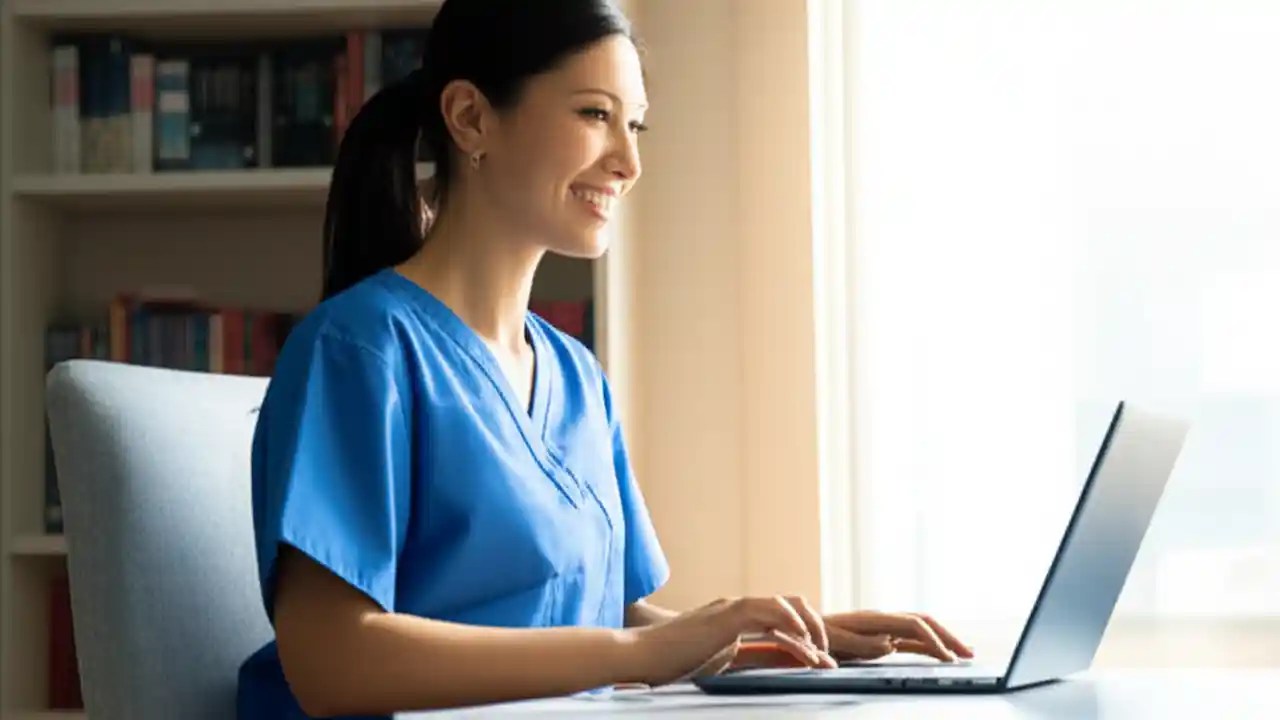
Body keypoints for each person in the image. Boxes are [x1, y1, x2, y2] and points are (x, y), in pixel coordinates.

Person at [236, 0, 973, 717]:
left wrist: (782, 640)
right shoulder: (360, 350)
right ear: (470, 117)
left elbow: (614, 618)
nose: (628, 161)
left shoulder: (576, 377)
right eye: (595, 115)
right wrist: (636, 651)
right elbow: (332, 662)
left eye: (637, 125)